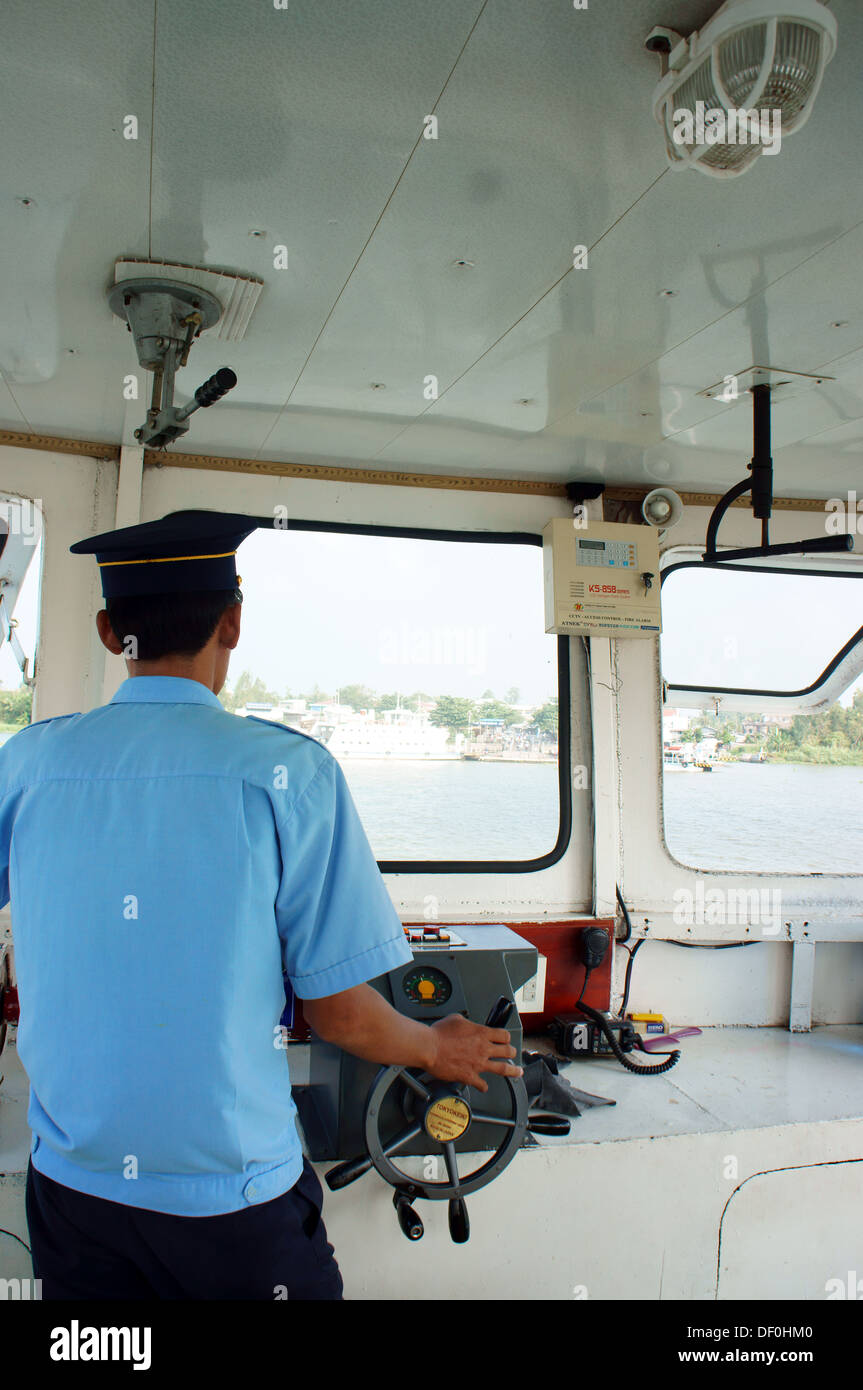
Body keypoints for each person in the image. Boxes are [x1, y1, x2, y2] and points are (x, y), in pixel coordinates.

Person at [0, 508, 521, 1300]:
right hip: (233, 1202)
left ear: (111, 634)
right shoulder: (288, 774)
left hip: (75, 1194)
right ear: (233, 623)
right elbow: (342, 1018)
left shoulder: (30, 762)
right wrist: (434, 1049)